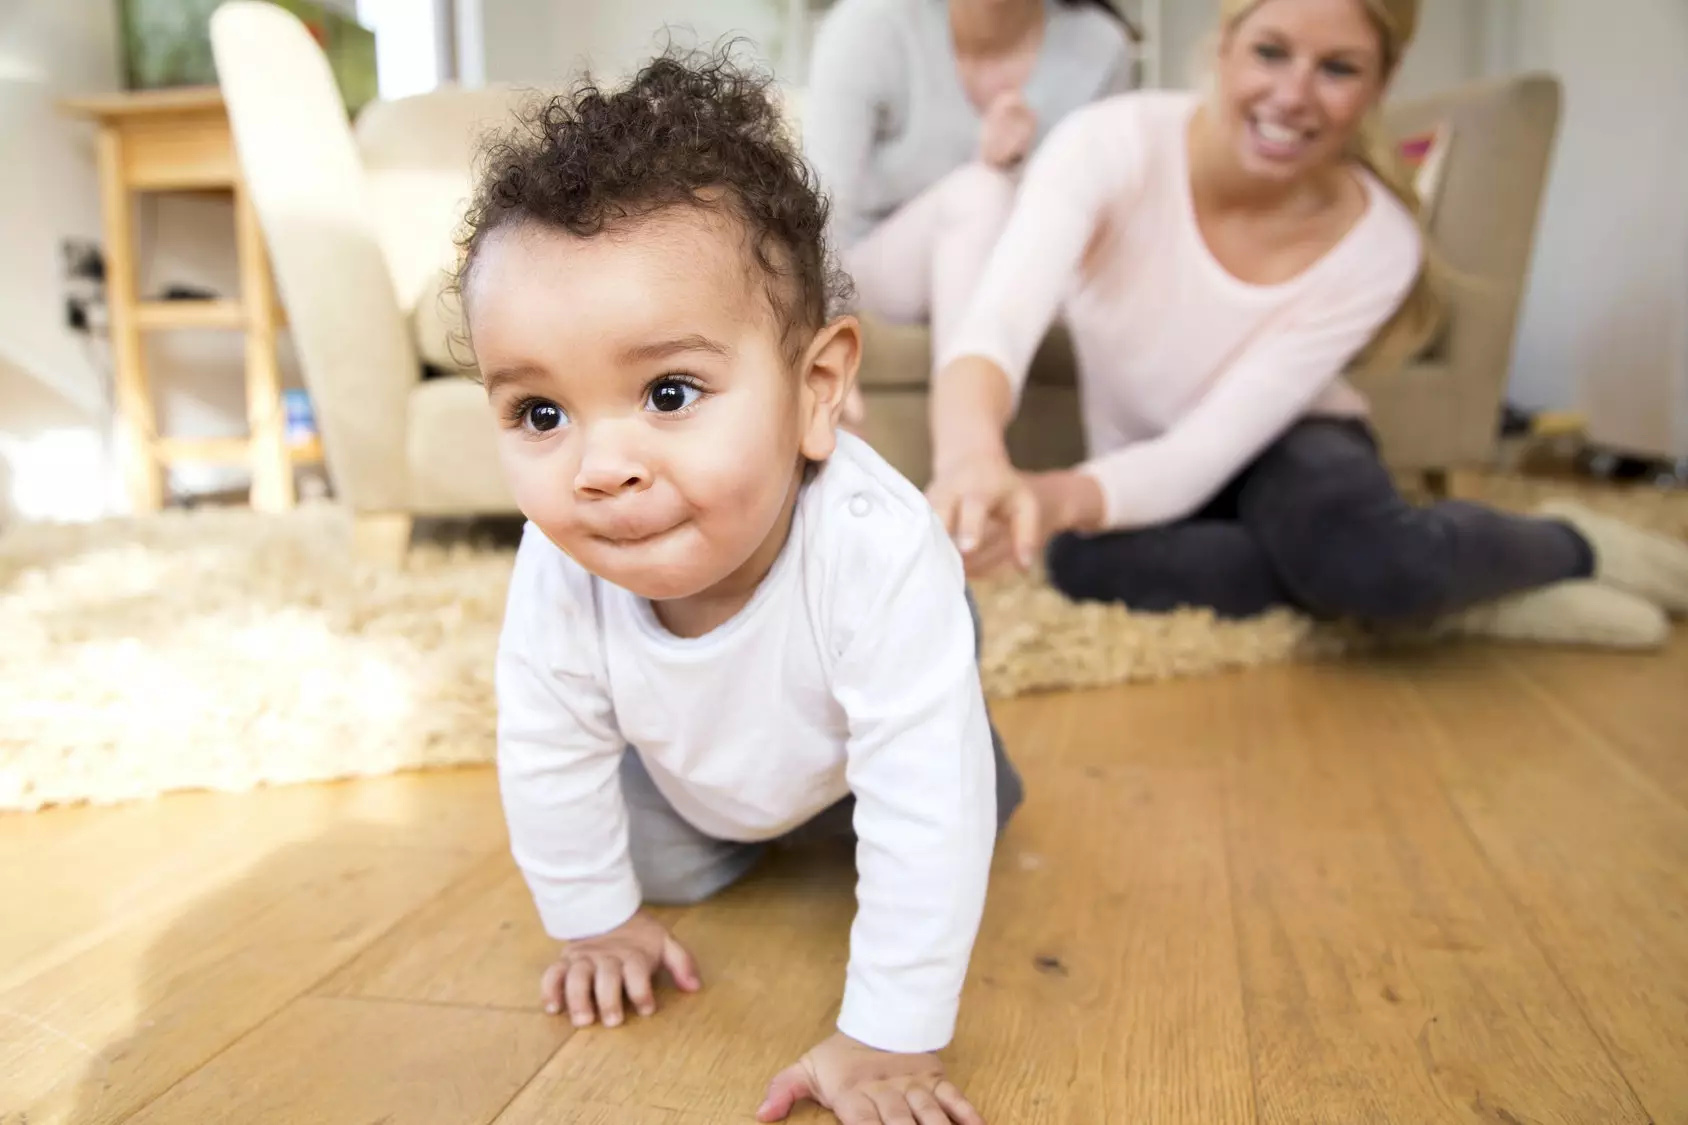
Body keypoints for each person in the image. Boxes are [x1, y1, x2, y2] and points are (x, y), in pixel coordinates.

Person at [458, 50, 1019, 1125]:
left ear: (816, 390)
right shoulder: (559, 564)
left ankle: (939, 728)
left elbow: (926, 823)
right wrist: (593, 922)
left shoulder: (874, 546)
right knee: (645, 866)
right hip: (697, 771)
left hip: (863, 746)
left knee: (951, 809)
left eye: (668, 392)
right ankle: (747, 830)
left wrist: (885, 1038)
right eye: (539, 414)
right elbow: (547, 741)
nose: (598, 468)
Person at [922, 0, 1688, 644]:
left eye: (1338, 68)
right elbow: (995, 328)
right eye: (1270, 52)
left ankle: (1570, 545)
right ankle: (1463, 598)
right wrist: (971, 458)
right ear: (1223, 47)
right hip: (1145, 459)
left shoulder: (1379, 240)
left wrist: (1050, 497)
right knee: (1084, 564)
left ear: (1380, 83)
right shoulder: (1108, 143)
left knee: (1371, 562)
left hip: (1291, 441)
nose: (1293, 96)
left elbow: (1211, 445)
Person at [802, 0, 1137, 424]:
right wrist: (823, 340)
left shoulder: (1099, 48)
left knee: (991, 196)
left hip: (1021, 267)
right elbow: (820, 209)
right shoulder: (870, 27)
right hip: (878, 266)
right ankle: (966, 449)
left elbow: (1106, 223)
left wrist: (1017, 172)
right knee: (977, 192)